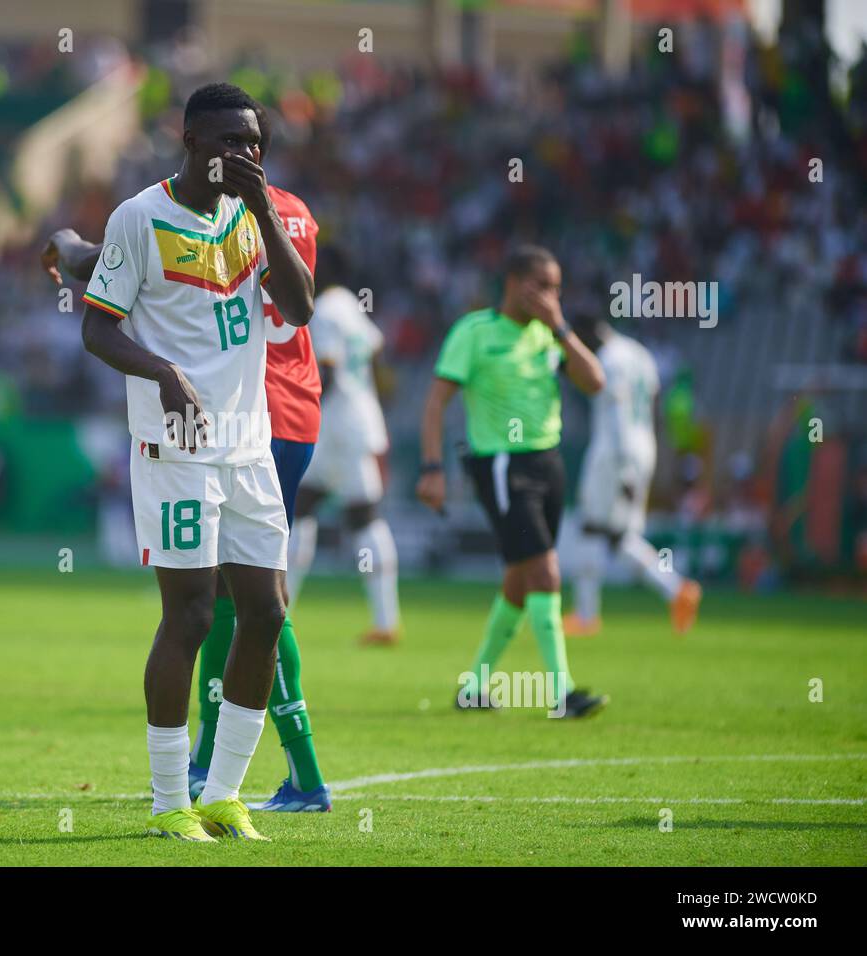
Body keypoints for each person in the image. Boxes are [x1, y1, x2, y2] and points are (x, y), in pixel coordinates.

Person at [43, 104, 331, 812]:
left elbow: (297, 309)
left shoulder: (255, 216)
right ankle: (171, 801)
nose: (245, 153)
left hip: (251, 444)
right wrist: (164, 374)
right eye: (232, 140)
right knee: (193, 617)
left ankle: (227, 796)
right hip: (177, 450)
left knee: (264, 614)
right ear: (191, 139)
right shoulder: (141, 217)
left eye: (256, 144)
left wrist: (261, 203)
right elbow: (98, 330)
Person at [417, 245, 607, 718]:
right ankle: (562, 695)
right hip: (502, 466)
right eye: (541, 286)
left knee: (521, 583)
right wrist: (431, 468)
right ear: (513, 283)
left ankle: (474, 687)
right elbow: (437, 401)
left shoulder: (548, 336)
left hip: (548, 462)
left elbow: (595, 382)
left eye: (556, 288)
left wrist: (561, 326)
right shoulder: (475, 332)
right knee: (545, 570)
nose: (549, 296)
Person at [287, 244, 401, 646]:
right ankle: (385, 620)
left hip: (334, 426)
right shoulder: (351, 306)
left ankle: (280, 608)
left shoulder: (326, 311)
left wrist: (299, 407)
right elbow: (376, 350)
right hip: (360, 419)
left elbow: (329, 372)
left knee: (307, 510)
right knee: (352, 515)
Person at [566, 317, 702, 636]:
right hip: (644, 448)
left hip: (614, 452)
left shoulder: (609, 360)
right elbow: (653, 406)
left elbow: (617, 412)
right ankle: (677, 590)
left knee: (588, 526)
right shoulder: (640, 354)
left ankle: (586, 616)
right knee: (618, 535)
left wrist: (624, 466)